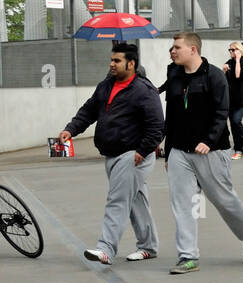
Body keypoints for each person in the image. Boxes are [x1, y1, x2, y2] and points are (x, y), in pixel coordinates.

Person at [159, 33, 243, 275]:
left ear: (193, 49)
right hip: (180, 151)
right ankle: (187, 256)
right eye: (172, 48)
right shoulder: (173, 74)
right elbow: (172, 115)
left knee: (222, 199)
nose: (172, 52)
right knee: (183, 203)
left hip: (212, 150)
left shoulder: (214, 75)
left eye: (176, 47)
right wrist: (168, 150)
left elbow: (221, 111)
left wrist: (208, 140)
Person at [60, 42, 165, 265]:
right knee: (136, 201)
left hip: (133, 155)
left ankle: (106, 249)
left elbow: (157, 126)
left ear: (131, 63)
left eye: (117, 61)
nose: (112, 64)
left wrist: (143, 151)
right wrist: (71, 129)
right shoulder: (106, 85)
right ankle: (148, 246)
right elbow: (88, 111)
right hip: (112, 154)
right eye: (111, 60)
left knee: (117, 200)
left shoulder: (144, 91)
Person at [223, 42, 243, 159]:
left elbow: (238, 75)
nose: (231, 52)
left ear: (239, 50)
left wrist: (239, 60)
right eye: (229, 50)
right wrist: (224, 71)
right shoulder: (229, 63)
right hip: (231, 98)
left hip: (242, 98)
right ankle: (238, 149)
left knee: (236, 121)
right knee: (233, 124)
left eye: (233, 49)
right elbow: (224, 80)